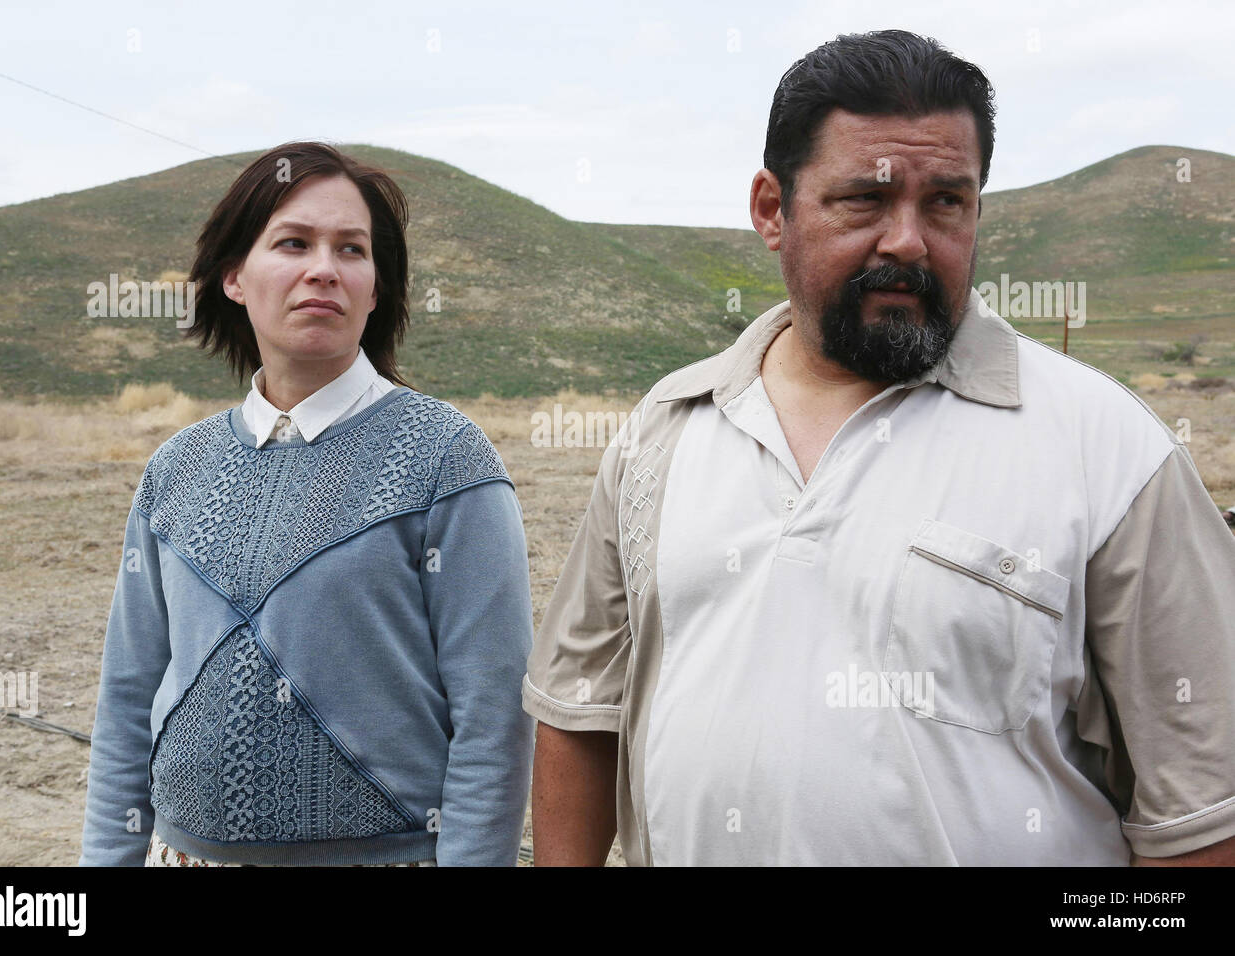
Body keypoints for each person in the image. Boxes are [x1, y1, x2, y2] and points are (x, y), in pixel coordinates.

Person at [522, 30, 1235, 866]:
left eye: (946, 203)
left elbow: (1198, 812)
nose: (908, 241)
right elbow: (579, 713)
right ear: (770, 210)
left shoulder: (1113, 454)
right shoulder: (664, 431)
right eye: (866, 199)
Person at [79, 142, 534, 866]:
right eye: (293, 243)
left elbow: (494, 718)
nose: (324, 267)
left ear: (377, 287)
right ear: (233, 275)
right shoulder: (175, 470)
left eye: (351, 249)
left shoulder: (448, 459)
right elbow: (128, 700)